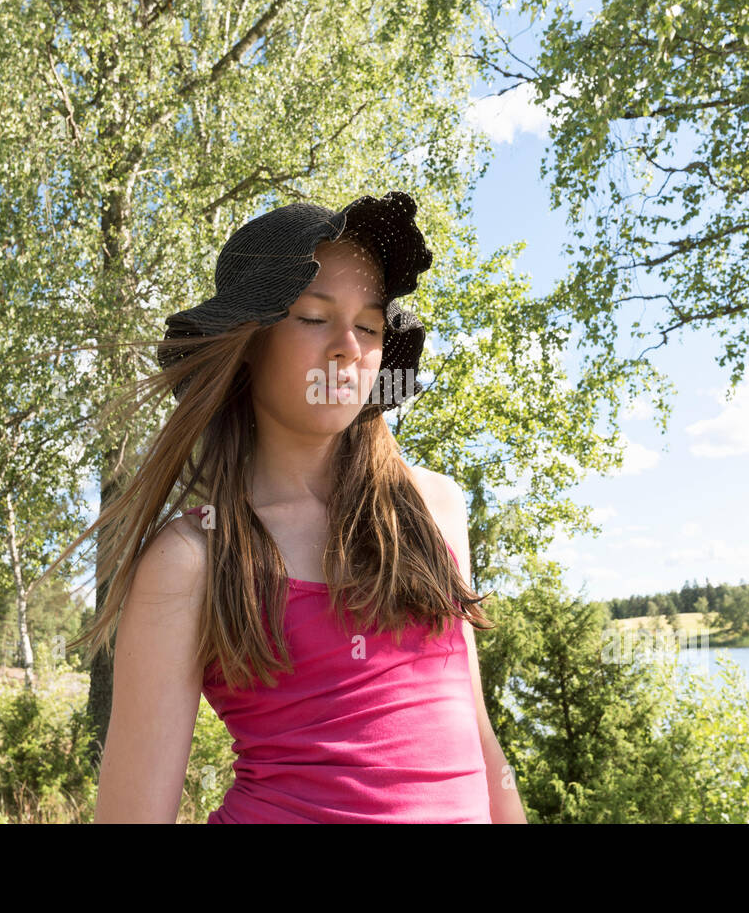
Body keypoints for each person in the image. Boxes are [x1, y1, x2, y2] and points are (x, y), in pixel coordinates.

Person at [69, 190, 527, 823]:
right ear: (248, 344)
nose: (348, 346)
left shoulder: (436, 508)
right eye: (313, 317)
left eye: (368, 326)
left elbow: (475, 733)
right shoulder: (192, 559)